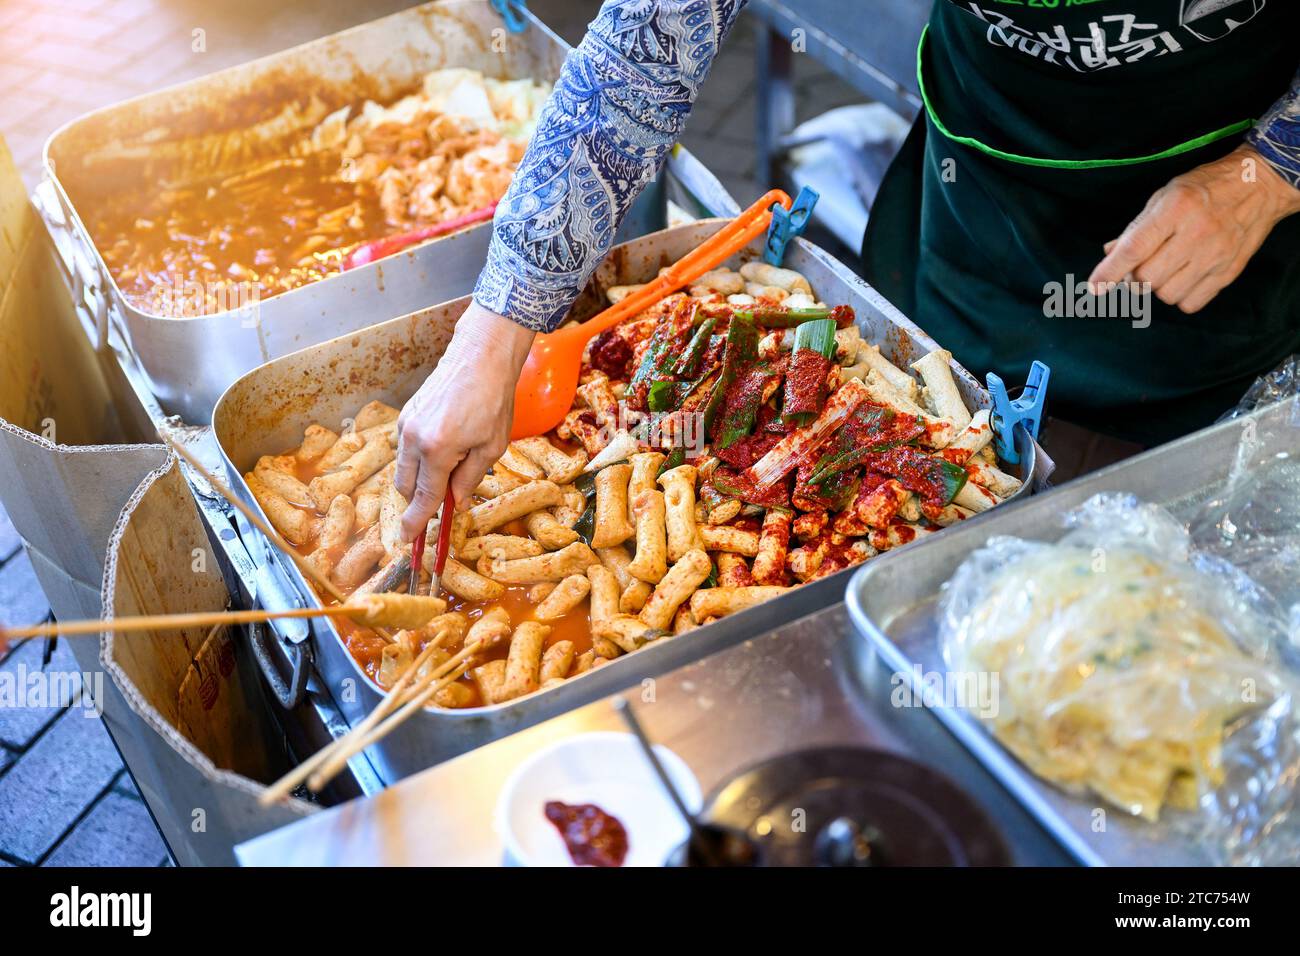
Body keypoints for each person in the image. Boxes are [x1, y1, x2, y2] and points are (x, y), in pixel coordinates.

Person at [396, 0, 1300, 540]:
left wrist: (1271, 171)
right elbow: (644, 52)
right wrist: (495, 331)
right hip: (986, 188)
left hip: (1239, 234)